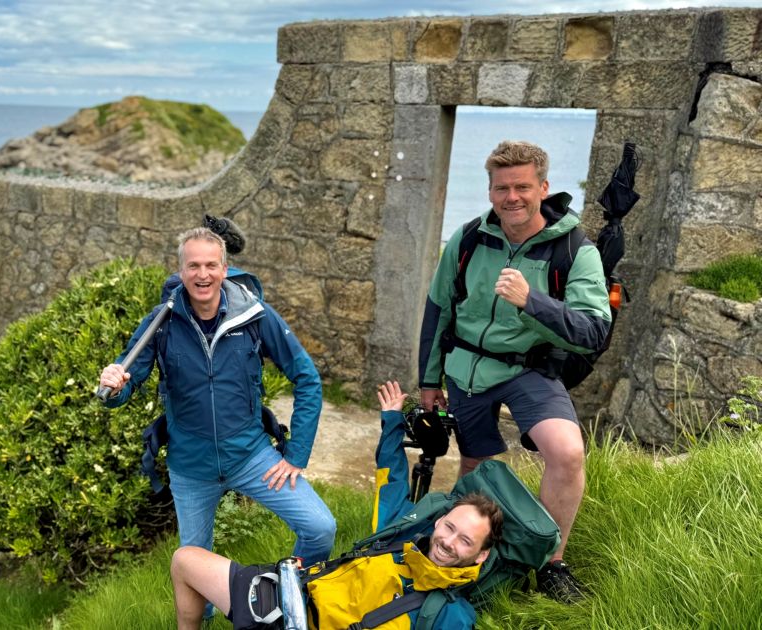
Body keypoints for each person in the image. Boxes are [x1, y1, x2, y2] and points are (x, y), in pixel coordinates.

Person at [418, 140, 611, 603]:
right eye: (502, 188)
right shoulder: (467, 239)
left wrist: (533, 301)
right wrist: (428, 380)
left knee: (566, 453)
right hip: (466, 369)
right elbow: (438, 309)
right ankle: (469, 554)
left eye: (523, 186)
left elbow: (593, 331)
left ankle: (550, 563)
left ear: (543, 188)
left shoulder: (575, 249)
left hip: (531, 369)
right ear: (490, 192)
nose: (512, 197)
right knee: (474, 466)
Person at [170, 381, 503, 630]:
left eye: (466, 541)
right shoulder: (401, 539)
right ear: (439, 521)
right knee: (186, 561)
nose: (449, 541)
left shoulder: (451, 616)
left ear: (482, 554)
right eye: (450, 527)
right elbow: (392, 482)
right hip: (291, 595)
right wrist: (391, 420)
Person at [99, 227, 336, 571]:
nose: (203, 274)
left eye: (211, 265)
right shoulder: (161, 321)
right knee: (194, 565)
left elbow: (307, 379)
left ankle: (294, 593)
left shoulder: (255, 315)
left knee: (320, 528)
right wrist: (115, 388)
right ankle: (207, 622)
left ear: (225, 269)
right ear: (181, 272)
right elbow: (126, 379)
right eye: (193, 266)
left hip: (251, 456)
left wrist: (296, 454)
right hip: (190, 467)